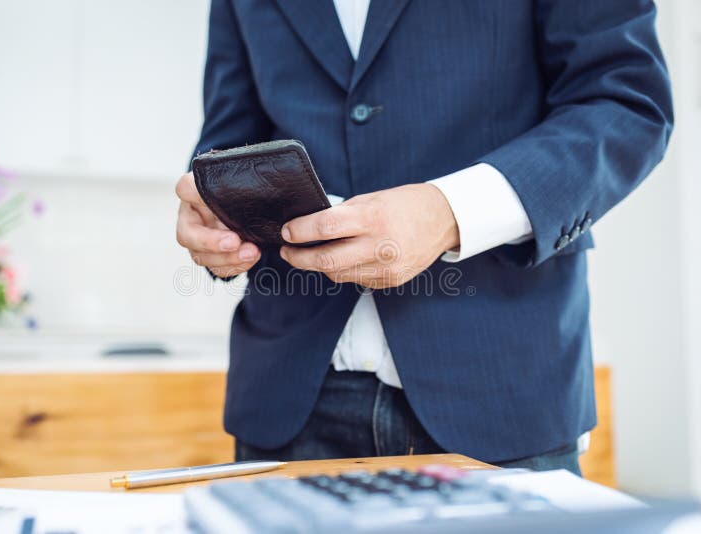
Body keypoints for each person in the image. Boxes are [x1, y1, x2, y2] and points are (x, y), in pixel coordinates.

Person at [175, 0, 673, 474]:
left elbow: (625, 103)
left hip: (501, 392)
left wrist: (450, 212)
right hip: (288, 400)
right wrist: (215, 212)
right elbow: (230, 137)